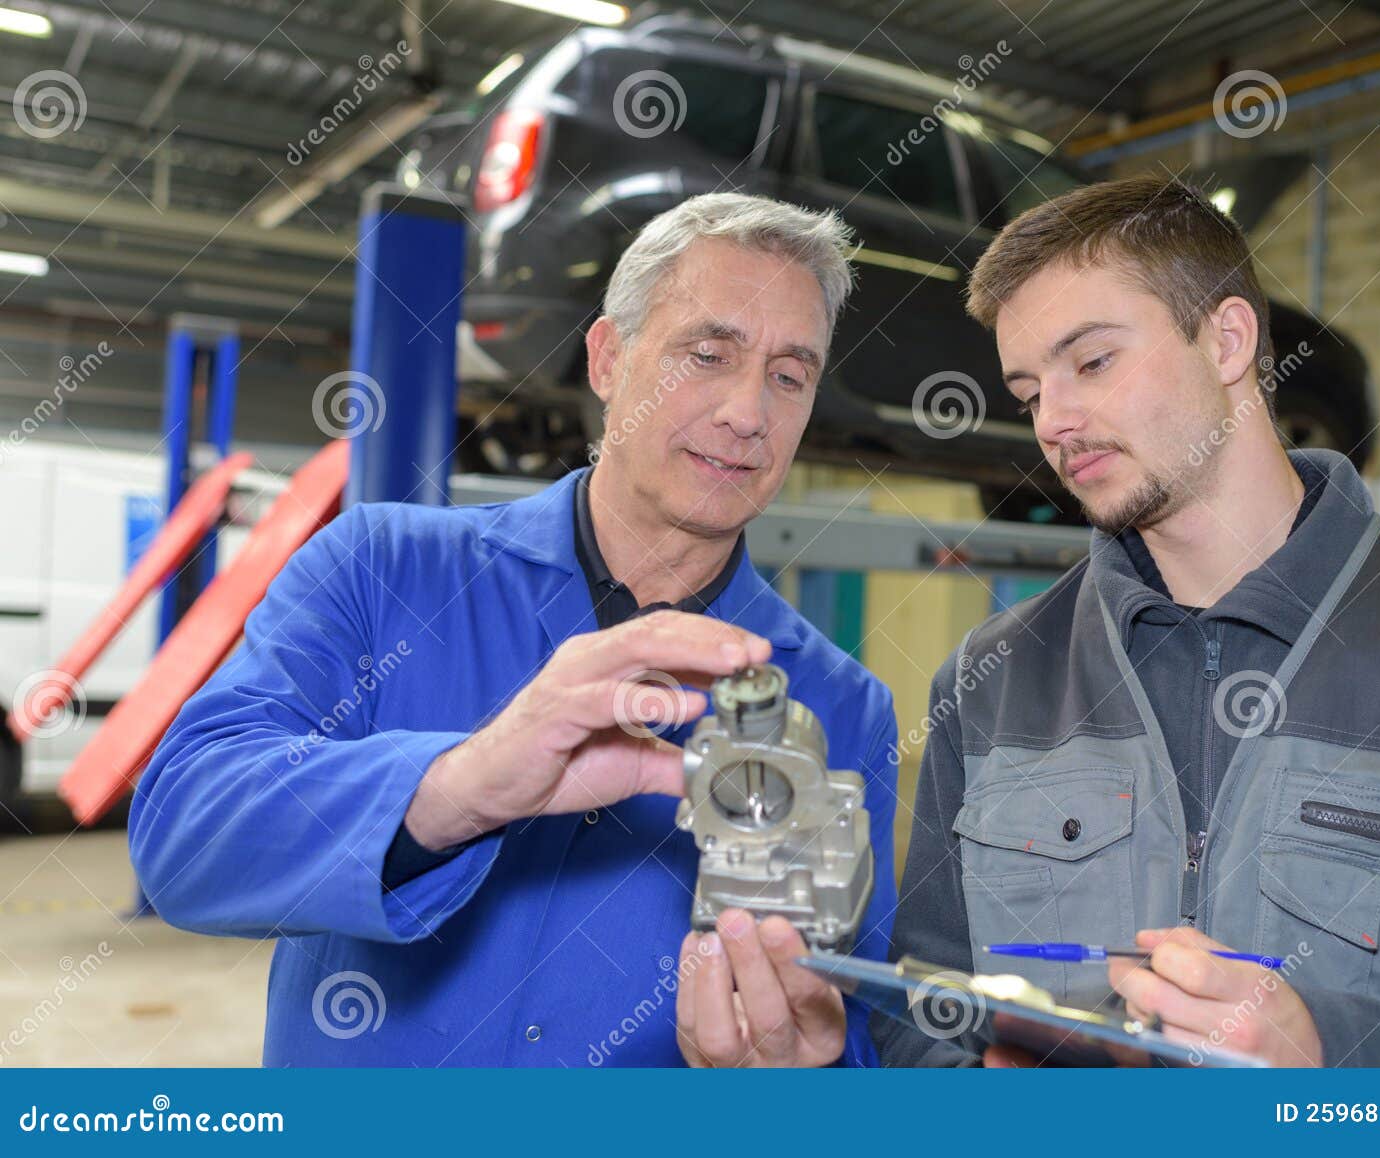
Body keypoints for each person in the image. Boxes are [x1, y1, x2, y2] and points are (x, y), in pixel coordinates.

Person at [132, 193, 898, 1068]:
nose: (748, 411)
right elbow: (182, 838)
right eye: (708, 354)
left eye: (789, 376)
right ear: (608, 358)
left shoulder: (840, 705)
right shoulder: (381, 569)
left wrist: (802, 1079)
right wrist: (461, 786)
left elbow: (852, 1031)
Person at [876, 174, 1380, 1067]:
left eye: (1093, 361)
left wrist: (1334, 1055)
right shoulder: (990, 680)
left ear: (1226, 339)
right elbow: (918, 1022)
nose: (1055, 423)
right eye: (1029, 393)